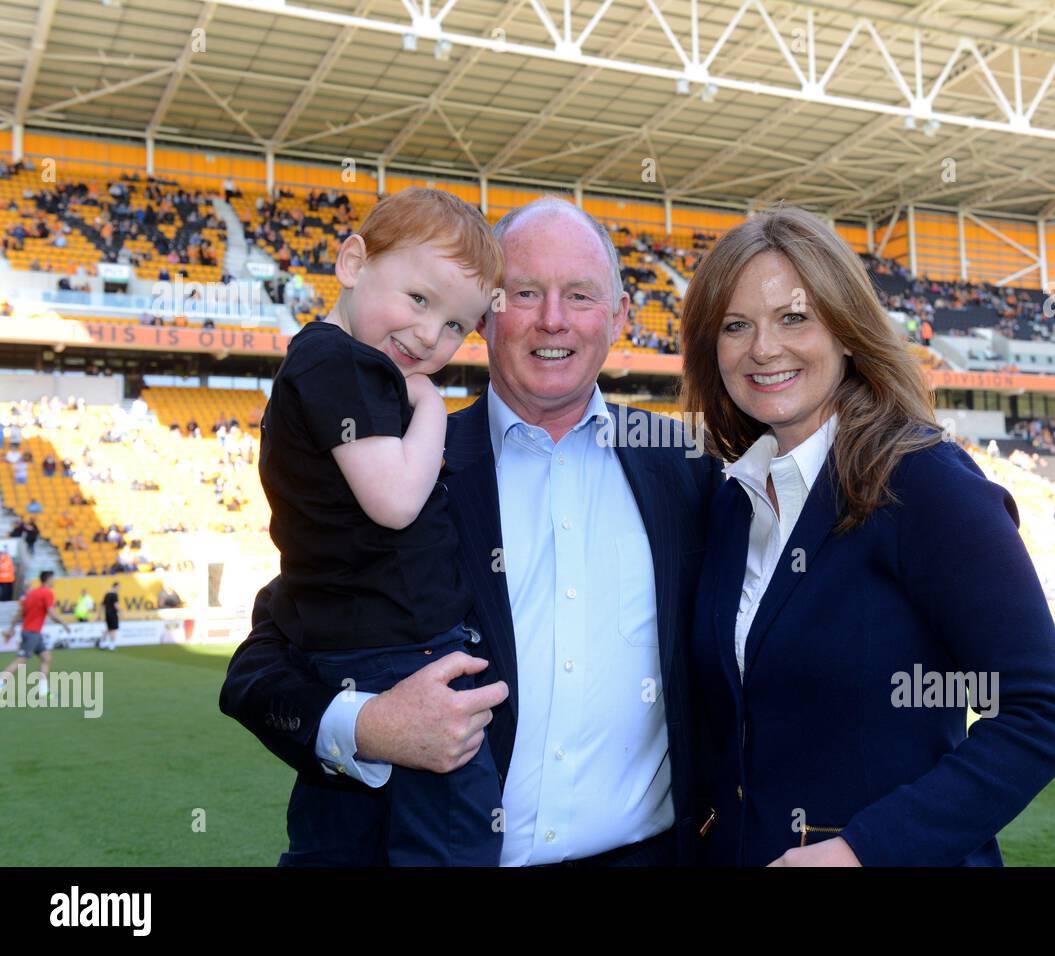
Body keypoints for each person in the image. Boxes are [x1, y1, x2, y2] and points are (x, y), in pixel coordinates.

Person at [221, 196, 718, 867]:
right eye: (524, 293)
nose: (552, 319)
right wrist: (369, 726)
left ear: (621, 316)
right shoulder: (403, 459)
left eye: (579, 295)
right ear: (486, 314)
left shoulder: (685, 466)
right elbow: (257, 672)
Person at [679, 207, 1055, 866]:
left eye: (794, 317)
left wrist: (862, 852)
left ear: (846, 330)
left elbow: (1040, 714)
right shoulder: (731, 501)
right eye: (735, 326)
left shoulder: (924, 480)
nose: (763, 348)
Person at [251, 187, 504, 866]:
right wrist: (428, 405)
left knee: (338, 843)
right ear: (353, 261)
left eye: (456, 326)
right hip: (403, 650)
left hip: (350, 649)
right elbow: (395, 501)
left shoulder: (330, 363)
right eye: (420, 300)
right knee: (453, 842)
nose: (430, 336)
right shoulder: (343, 363)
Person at [1, 570, 71, 699]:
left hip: (32, 632)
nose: (54, 581)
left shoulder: (31, 593)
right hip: (32, 632)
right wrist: (64, 623)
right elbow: (51, 612)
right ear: (48, 579)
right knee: (21, 660)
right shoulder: (47, 593)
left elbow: (20, 613)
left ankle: (43, 691)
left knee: (46, 657)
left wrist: (11, 628)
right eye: (53, 579)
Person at [98, 582, 120, 650]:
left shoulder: (107, 594)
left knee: (108, 629)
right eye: (119, 587)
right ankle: (112, 644)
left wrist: (99, 614)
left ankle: (102, 643)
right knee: (113, 629)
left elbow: (102, 605)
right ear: (115, 586)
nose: (119, 588)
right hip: (113, 614)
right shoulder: (115, 595)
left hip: (107, 614)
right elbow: (116, 605)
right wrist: (120, 612)